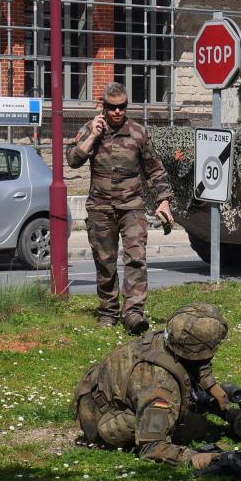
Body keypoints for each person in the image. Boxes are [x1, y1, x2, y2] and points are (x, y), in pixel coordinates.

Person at [66, 82, 175, 334]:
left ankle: (134, 313)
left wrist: (164, 200)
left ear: (127, 106)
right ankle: (108, 311)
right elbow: (73, 160)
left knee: (136, 259)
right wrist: (93, 135)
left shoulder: (138, 132)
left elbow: (154, 169)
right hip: (100, 209)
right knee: (105, 262)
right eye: (111, 107)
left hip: (132, 208)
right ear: (102, 107)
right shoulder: (91, 129)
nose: (116, 112)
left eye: (121, 107)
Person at [73, 303, 231, 471]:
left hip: (97, 393)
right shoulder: (161, 387)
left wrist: (211, 386)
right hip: (104, 419)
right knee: (196, 424)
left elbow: (197, 359)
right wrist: (200, 459)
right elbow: (152, 448)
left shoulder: (165, 339)